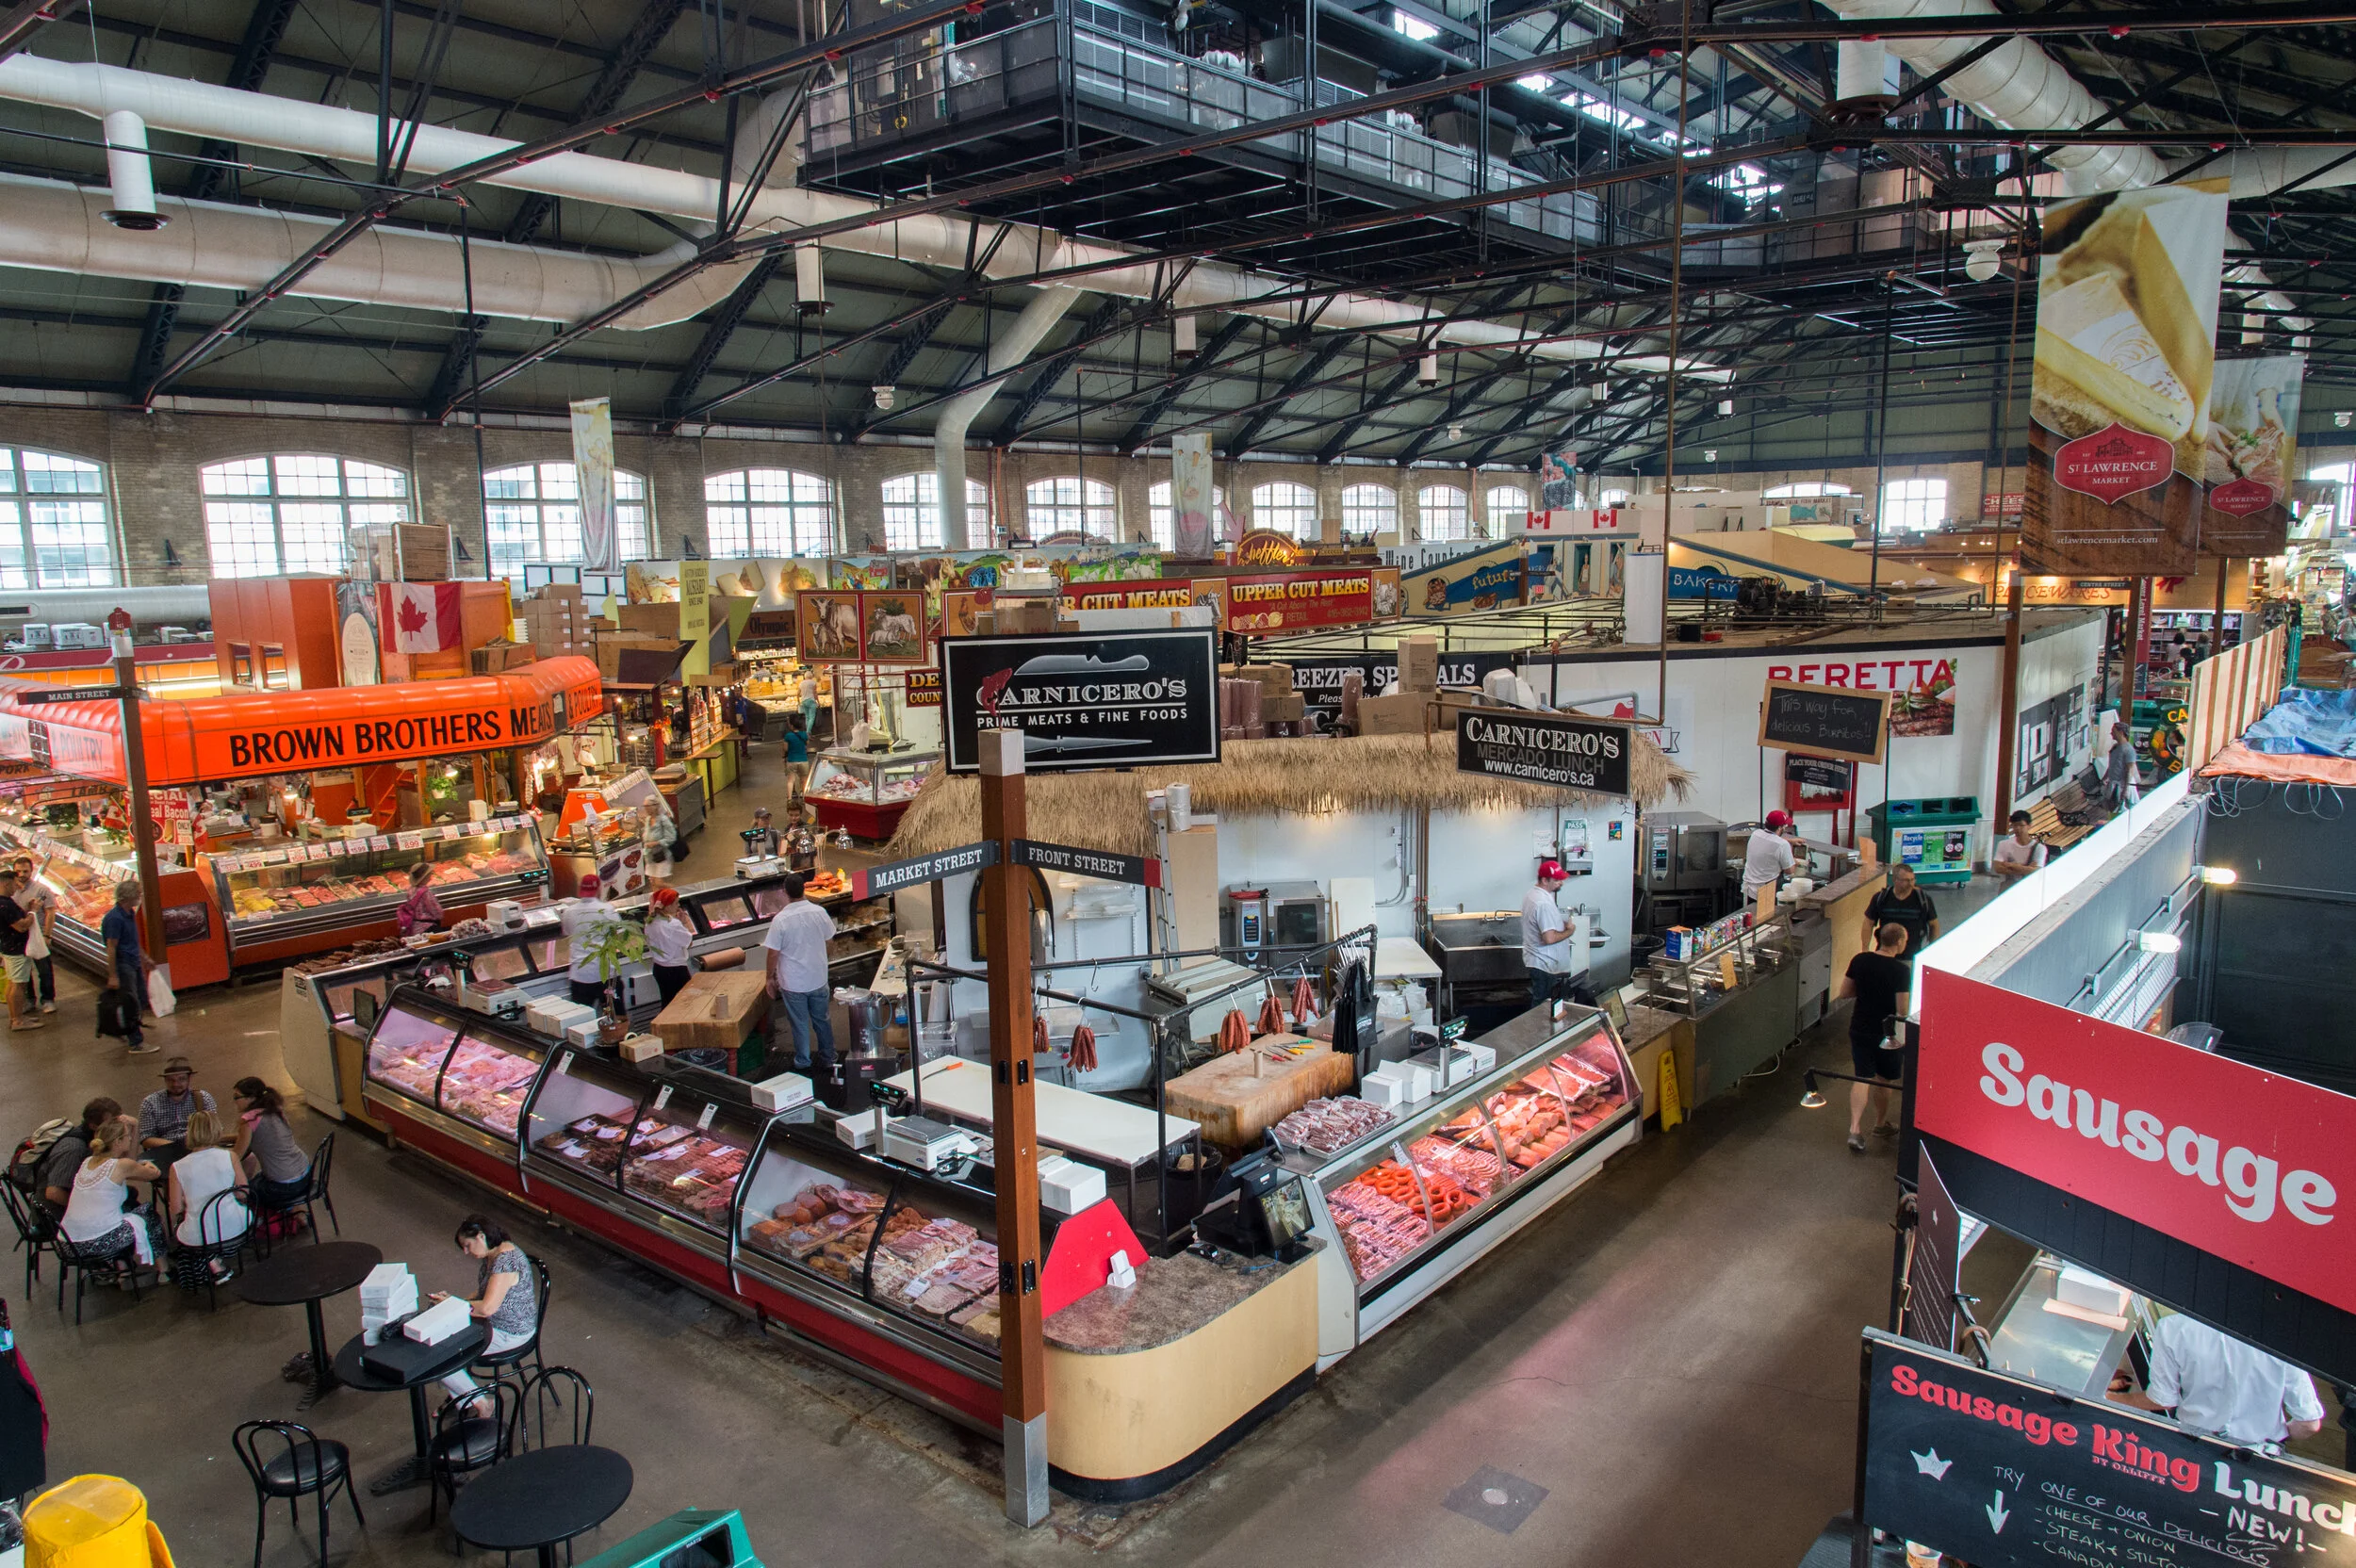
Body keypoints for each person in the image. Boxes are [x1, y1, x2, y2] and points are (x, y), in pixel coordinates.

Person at [2113, 1314, 2325, 1451]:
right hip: (2263, 1453)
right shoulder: (2282, 1336)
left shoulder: (2173, 1328)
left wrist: (2112, 1398)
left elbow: (2162, 1399)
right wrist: (2278, 1436)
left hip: (2194, 1447)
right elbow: (2309, 1423)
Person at [432, 1216, 541, 1410]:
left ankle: (480, 1403)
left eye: (467, 1245)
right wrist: (455, 1303)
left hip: (509, 1333)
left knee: (440, 1355)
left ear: (481, 1237)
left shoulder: (505, 1262)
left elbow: (488, 1308)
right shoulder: (493, 1255)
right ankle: (465, 1400)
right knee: (441, 1335)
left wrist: (454, 1305)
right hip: (495, 1324)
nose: (466, 1252)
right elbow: (483, 1292)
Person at [1836, 923, 1913, 1154]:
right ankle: (1880, 1124)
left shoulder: (1860, 960)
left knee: (1862, 1076)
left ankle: (1855, 1128)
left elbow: (1845, 992)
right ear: (1898, 942)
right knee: (1884, 1080)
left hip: (1860, 1026)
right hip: (1887, 1033)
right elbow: (1902, 1009)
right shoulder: (1901, 971)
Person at [58, 1116, 160, 1271]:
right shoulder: (121, 1166)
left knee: (123, 1211)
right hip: (98, 1242)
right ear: (117, 1142)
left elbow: (130, 1164)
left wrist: (135, 1127)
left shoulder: (87, 1162)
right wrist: (148, 1164)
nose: (131, 1138)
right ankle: (164, 1270)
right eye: (128, 1136)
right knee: (147, 1213)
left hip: (68, 1245)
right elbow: (154, 1174)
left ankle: (121, 1266)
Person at [761, 871, 837, 1073]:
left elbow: (773, 954)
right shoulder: (819, 912)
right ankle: (829, 1056)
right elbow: (830, 941)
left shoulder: (780, 920)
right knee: (823, 1019)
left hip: (793, 982)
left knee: (799, 1023)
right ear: (804, 888)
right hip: (818, 978)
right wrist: (824, 961)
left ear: (785, 892)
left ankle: (803, 1062)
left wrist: (770, 977)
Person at [167, 1108, 248, 1272]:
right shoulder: (230, 1156)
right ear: (217, 1129)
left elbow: (175, 1208)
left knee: (183, 1228)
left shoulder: (177, 1167)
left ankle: (211, 1264)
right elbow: (243, 1192)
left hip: (200, 1235)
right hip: (235, 1225)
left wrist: (188, 1199)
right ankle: (217, 1262)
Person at [231, 1078, 311, 1219]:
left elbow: (236, 1155)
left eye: (237, 1097)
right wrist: (221, 1138)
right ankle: (296, 1212)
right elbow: (257, 1138)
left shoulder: (249, 1120)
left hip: (283, 1186)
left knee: (242, 1192)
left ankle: (251, 1222)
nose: (234, 1101)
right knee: (258, 1178)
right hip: (304, 1174)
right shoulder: (274, 1109)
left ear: (251, 1098)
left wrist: (213, 1150)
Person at [1520, 858, 1588, 1010]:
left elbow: (1543, 923)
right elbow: (1549, 938)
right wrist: (1570, 931)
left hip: (1541, 963)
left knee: (1544, 1008)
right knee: (1543, 1010)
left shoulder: (1533, 894)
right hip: (1545, 965)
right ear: (1545, 880)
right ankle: (1540, 1034)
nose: (1561, 883)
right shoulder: (1542, 902)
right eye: (1557, 880)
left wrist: (1559, 924)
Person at [39, 1097, 121, 1217]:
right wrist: (87, 1210)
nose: (118, 1126)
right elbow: (54, 1193)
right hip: (58, 1215)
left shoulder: (98, 1139)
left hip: (84, 1196)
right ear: (93, 1126)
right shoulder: (74, 1148)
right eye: (112, 1123)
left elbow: (125, 1166)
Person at [101, 880, 153, 1054]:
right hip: (124, 965)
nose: (140, 896)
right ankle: (135, 1042)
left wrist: (144, 957)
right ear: (128, 896)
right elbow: (111, 947)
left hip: (134, 963)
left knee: (140, 999)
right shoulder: (115, 919)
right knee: (131, 1003)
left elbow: (132, 940)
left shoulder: (129, 913)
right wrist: (113, 975)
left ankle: (123, 1029)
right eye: (138, 893)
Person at [136, 1056, 216, 1167]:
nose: (176, 1084)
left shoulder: (203, 1099)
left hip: (198, 1151)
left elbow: (212, 1131)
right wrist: (177, 1146)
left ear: (190, 1078)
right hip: (165, 1152)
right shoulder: (150, 1103)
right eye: (170, 1080)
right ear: (165, 1080)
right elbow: (146, 1138)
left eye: (181, 1079)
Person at [1863, 861, 1940, 959]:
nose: (1911, 884)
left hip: (1911, 957)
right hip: (1885, 956)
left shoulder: (1923, 900)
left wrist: (1931, 950)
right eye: (1906, 880)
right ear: (1895, 880)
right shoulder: (1881, 898)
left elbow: (1934, 925)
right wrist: (1865, 949)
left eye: (1912, 880)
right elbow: (1868, 923)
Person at [11, 857, 55, 1014]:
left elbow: (50, 912)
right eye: (18, 871)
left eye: (25, 871)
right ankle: (30, 1000)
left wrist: (47, 935)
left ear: (32, 870)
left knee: (44, 969)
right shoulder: (11, 890)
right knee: (25, 971)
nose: (22, 874)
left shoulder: (41, 889)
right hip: (20, 936)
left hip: (38, 934)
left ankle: (48, 999)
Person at [562, 874, 609, 1007]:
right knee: (616, 1020)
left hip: (579, 974)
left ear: (580, 890)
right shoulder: (607, 910)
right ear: (599, 889)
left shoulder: (568, 912)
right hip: (604, 973)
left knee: (581, 1021)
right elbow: (618, 937)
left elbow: (568, 933)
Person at [0, 870, 38, 1034]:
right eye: (15, 884)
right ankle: (18, 1020)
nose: (17, 887)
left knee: (13, 983)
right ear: (6, 883)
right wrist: (33, 912)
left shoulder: (5, 902)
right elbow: (21, 926)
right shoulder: (5, 904)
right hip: (16, 949)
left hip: (8, 947)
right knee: (18, 985)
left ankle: (15, 1016)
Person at [646, 887, 695, 1004]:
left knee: (667, 1002)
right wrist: (685, 923)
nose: (678, 906)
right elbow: (689, 943)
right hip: (676, 970)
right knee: (684, 1004)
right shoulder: (672, 924)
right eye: (676, 903)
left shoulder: (650, 922)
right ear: (668, 906)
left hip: (659, 969)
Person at [1741, 811, 1799, 902]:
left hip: (1750, 889)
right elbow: (1790, 871)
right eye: (1785, 826)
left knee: (1753, 913)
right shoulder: (1783, 845)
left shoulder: (1756, 834)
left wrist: (1791, 841)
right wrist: (1795, 862)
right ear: (1780, 828)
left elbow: (1770, 839)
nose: (1785, 828)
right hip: (1767, 891)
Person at [1990, 809, 2049, 880]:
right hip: (2008, 885)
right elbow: (1998, 868)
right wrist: (2027, 868)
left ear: (2029, 826)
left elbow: (2036, 871)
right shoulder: (2003, 844)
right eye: (2015, 825)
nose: (2018, 828)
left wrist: (2011, 865)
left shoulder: (2039, 848)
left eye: (2021, 825)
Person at [396, 860, 444, 938]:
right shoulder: (426, 893)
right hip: (427, 929)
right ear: (426, 877)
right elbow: (438, 913)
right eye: (430, 874)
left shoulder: (411, 890)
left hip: (414, 928)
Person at [2103, 722, 2141, 810]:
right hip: (2114, 785)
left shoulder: (2128, 750)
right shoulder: (2115, 747)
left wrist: (2126, 789)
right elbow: (2113, 765)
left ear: (2121, 732)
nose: (2111, 733)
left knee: (2128, 809)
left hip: (2122, 785)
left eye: (2113, 731)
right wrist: (2105, 777)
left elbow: (2130, 770)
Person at [640, 803, 679, 884]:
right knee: (653, 882)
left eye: (648, 806)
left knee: (659, 883)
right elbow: (646, 835)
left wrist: (656, 843)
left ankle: (676, 892)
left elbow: (671, 837)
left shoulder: (663, 819)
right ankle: (658, 896)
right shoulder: (648, 819)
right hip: (650, 856)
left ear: (655, 807)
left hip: (661, 855)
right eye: (645, 807)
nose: (646, 809)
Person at [781, 713, 810, 808]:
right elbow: (807, 744)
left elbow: (785, 749)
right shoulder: (804, 734)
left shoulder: (788, 736)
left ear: (791, 725)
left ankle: (789, 799)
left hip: (792, 760)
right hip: (803, 760)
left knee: (791, 780)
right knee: (804, 780)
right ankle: (805, 798)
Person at [797, 668, 819, 743]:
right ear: (811, 676)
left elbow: (798, 693)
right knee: (812, 717)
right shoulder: (813, 683)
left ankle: (809, 733)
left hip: (804, 701)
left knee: (807, 717)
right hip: (811, 701)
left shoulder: (801, 683)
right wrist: (818, 701)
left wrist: (798, 702)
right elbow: (815, 693)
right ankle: (808, 732)